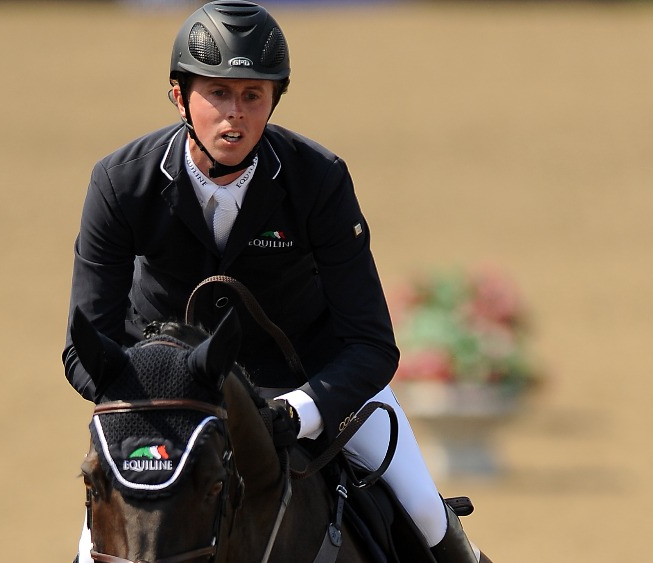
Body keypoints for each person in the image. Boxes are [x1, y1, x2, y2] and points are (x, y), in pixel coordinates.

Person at [63, 2, 490, 562]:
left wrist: (297, 411)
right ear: (180, 97)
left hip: (310, 383)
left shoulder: (319, 179)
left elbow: (372, 345)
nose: (234, 115)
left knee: (427, 515)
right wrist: (161, 403)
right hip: (167, 399)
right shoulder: (120, 183)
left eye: (252, 96)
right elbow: (83, 350)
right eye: (218, 93)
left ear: (273, 101)